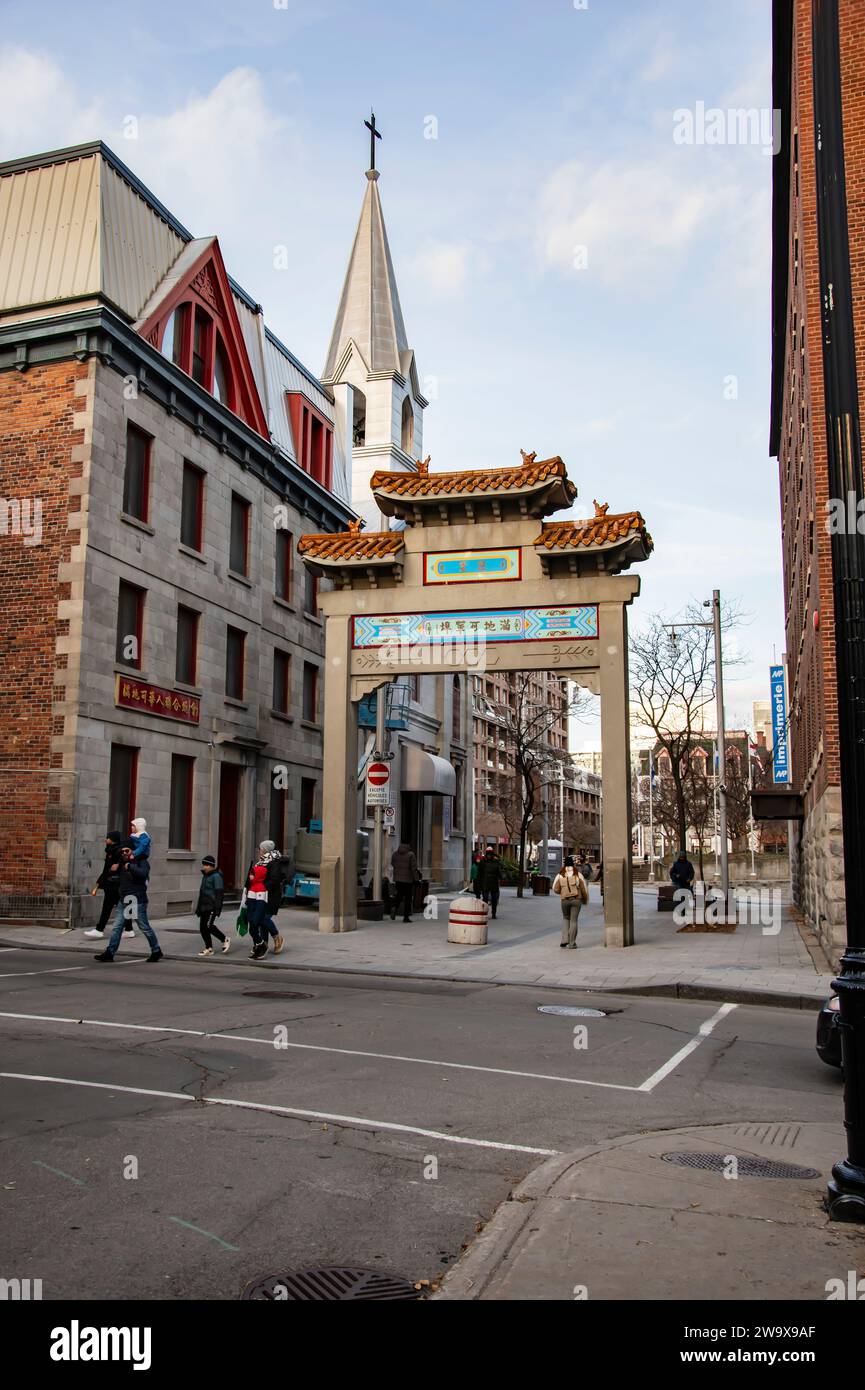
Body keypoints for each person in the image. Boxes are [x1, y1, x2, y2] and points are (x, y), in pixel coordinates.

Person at [94, 840, 163, 962]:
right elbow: (117, 878)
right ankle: (110, 952)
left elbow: (143, 874)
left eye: (127, 850)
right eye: (122, 851)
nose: (124, 853)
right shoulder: (121, 863)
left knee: (144, 927)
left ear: (133, 851)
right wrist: (112, 871)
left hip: (137, 900)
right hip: (124, 899)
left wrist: (130, 866)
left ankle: (156, 950)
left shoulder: (141, 861)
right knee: (117, 927)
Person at [242, 841, 289, 960]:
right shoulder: (260, 862)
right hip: (257, 895)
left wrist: (261, 888)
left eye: (261, 849)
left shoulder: (274, 862)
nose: (259, 851)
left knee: (263, 918)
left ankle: (276, 936)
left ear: (266, 850)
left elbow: (274, 880)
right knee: (260, 921)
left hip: (270, 896)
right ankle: (264, 944)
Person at [84, 831, 131, 940]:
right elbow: (106, 869)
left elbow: (124, 862)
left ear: (112, 839)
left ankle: (100, 930)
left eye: (108, 838)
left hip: (114, 884)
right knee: (121, 906)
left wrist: (118, 865)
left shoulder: (119, 850)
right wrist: (101, 880)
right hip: (110, 882)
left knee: (107, 906)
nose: (106, 839)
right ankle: (129, 929)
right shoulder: (110, 850)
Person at [553, 855, 589, 949]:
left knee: (566, 918)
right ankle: (572, 943)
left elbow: (554, 888)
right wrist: (585, 900)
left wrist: (562, 892)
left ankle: (564, 940)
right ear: (573, 864)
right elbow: (584, 888)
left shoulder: (560, 874)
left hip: (564, 900)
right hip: (576, 900)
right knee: (574, 921)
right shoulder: (578, 874)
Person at [196, 855, 228, 956]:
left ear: (211, 866)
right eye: (203, 865)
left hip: (212, 906)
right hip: (204, 906)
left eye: (206, 865)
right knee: (202, 927)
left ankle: (224, 939)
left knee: (209, 926)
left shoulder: (216, 876)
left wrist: (217, 909)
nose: (204, 867)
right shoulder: (205, 876)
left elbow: (219, 894)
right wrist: (198, 907)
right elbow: (201, 893)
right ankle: (209, 948)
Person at [390, 841, 417, 922]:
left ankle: (394, 906)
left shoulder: (395, 854)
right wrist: (416, 878)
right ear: (408, 846)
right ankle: (406, 917)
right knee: (408, 898)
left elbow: (392, 863)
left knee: (399, 895)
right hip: (408, 880)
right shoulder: (411, 854)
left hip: (398, 879)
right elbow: (413, 868)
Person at [478, 847, 502, 919]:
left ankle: (493, 913)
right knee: (485, 898)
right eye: (487, 854)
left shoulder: (496, 861)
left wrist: (501, 877)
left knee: (494, 899)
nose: (489, 855)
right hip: (485, 882)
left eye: (490, 854)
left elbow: (499, 871)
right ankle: (484, 913)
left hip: (494, 882)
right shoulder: (482, 861)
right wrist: (479, 883)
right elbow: (480, 873)